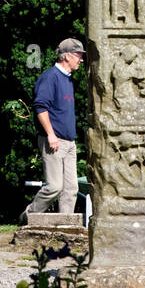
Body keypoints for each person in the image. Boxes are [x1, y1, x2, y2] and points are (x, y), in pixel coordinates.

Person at [19, 39, 85, 224]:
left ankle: (65, 225)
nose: (81, 60)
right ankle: (29, 215)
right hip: (54, 141)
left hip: (69, 142)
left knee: (71, 189)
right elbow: (40, 107)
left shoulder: (67, 79)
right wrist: (50, 134)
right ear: (67, 56)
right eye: (78, 55)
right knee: (54, 187)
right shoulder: (50, 77)